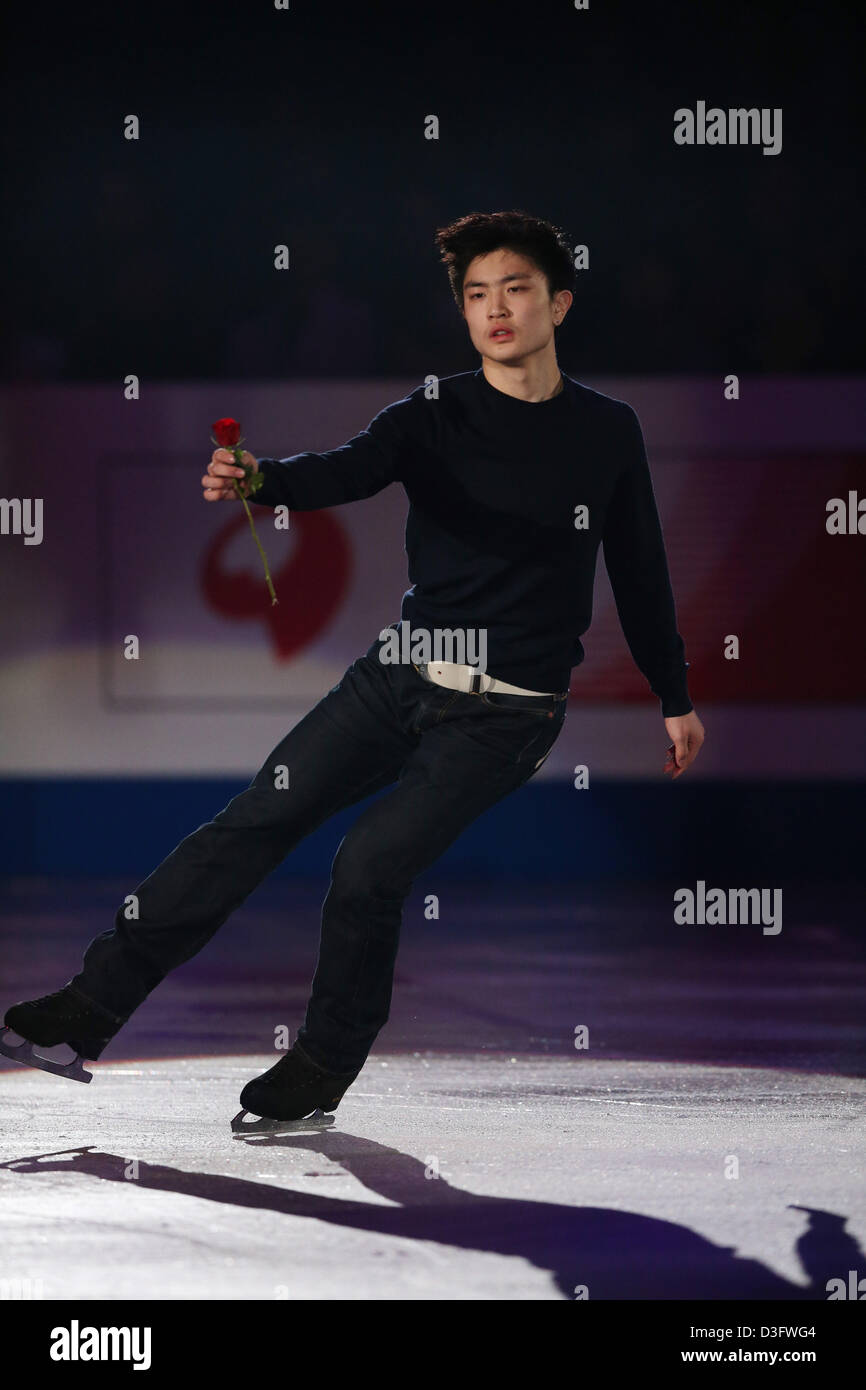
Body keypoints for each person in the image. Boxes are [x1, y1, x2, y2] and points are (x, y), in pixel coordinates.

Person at [1, 210, 704, 1125]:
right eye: (478, 295)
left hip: (509, 712)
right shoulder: (431, 412)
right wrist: (262, 481)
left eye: (517, 289)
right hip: (400, 674)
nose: (495, 309)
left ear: (558, 303)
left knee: (369, 865)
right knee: (257, 817)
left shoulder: (608, 431)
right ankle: (90, 1002)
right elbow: (347, 470)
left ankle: (323, 1064)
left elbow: (640, 569)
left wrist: (675, 696)